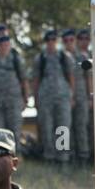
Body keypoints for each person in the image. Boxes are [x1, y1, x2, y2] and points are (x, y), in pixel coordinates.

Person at [34, 29, 74, 164]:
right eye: (48, 40)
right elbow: (36, 80)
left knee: (62, 127)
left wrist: (71, 96)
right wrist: (36, 99)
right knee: (47, 126)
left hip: (62, 97)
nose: (51, 43)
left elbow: (71, 77)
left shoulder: (65, 57)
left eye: (53, 40)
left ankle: (63, 158)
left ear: (56, 41)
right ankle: (49, 157)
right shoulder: (40, 58)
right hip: (45, 98)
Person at [72, 28, 93, 163]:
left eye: (87, 38)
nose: (84, 41)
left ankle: (86, 156)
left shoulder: (91, 55)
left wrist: (90, 97)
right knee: (71, 126)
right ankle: (72, 155)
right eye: (81, 38)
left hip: (85, 98)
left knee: (85, 127)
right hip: (72, 97)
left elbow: (89, 79)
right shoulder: (72, 56)